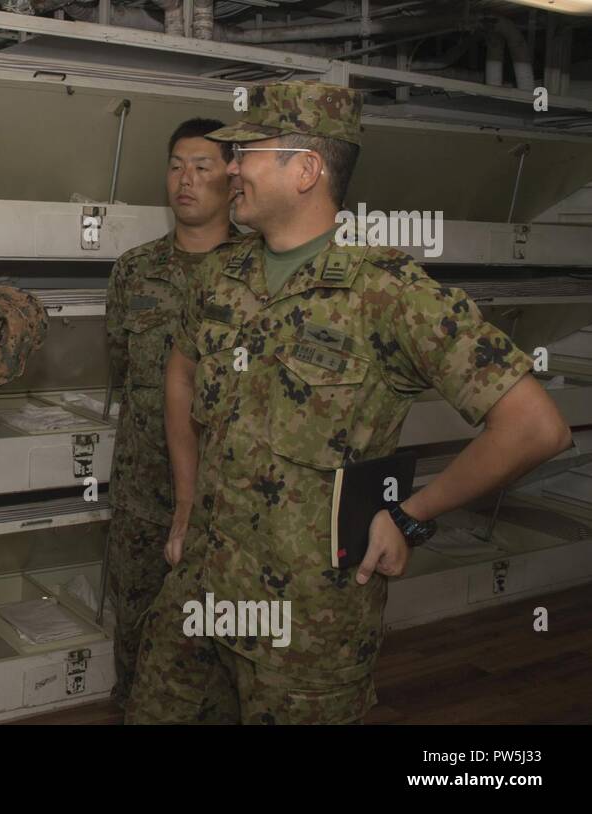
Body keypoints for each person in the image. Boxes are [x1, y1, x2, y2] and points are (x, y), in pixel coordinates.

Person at [127, 80, 571, 724]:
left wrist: (412, 516)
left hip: (308, 624)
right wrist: (187, 503)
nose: (231, 167)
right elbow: (183, 372)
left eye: (247, 151)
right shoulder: (221, 277)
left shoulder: (389, 293)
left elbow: (535, 427)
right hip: (200, 590)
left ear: (305, 169)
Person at [103, 118, 241, 704]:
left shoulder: (254, 274)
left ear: (232, 181)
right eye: (176, 165)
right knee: (134, 630)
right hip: (141, 491)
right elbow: (119, 362)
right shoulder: (134, 269)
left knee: (218, 644)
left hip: (225, 500)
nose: (185, 180)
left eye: (202, 167)